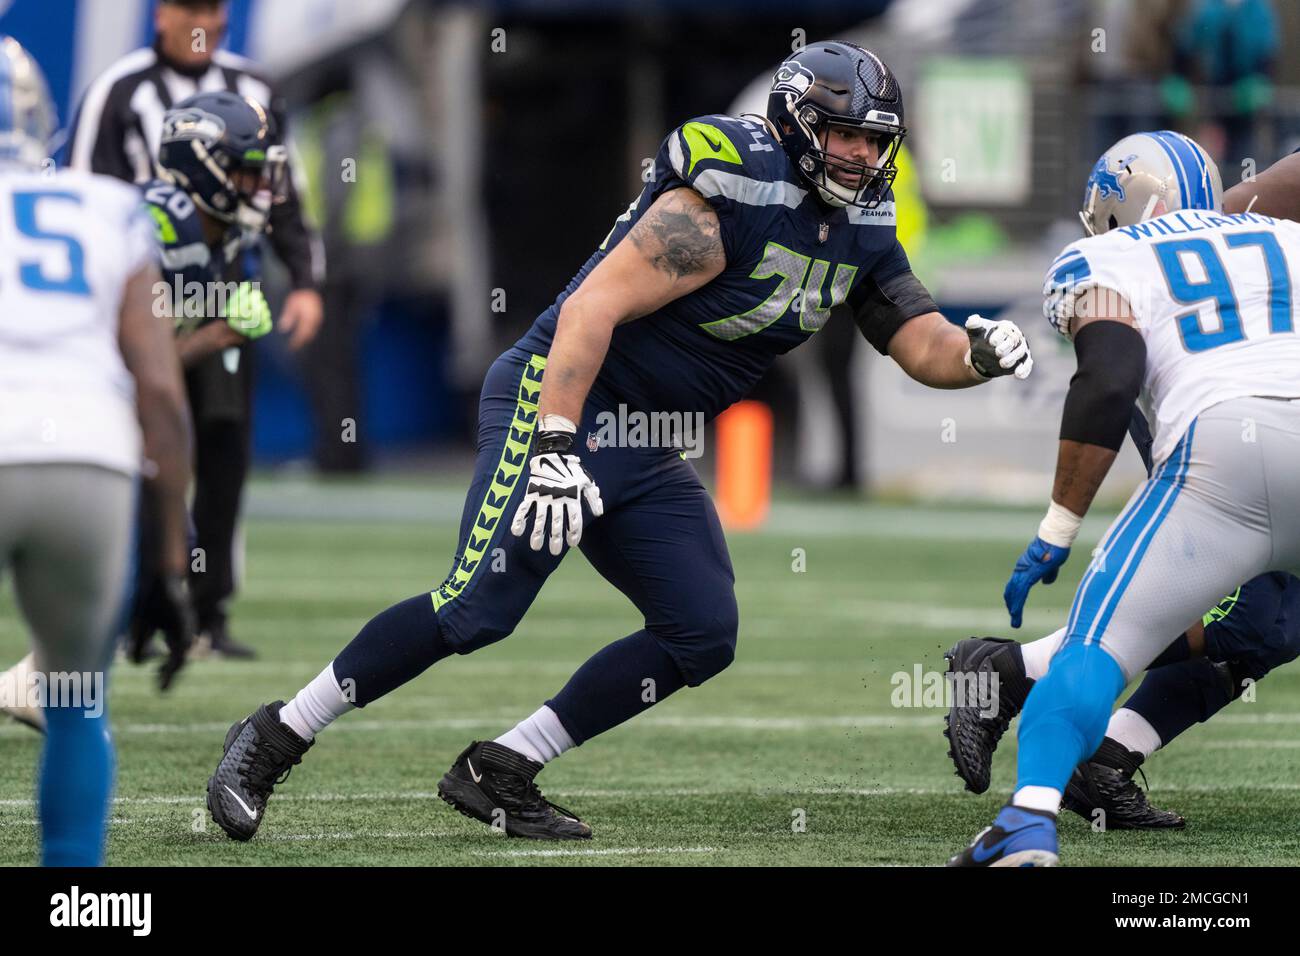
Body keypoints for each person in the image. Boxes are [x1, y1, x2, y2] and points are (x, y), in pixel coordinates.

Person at [206, 41, 1033, 843]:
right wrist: (558, 446)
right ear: (793, 124)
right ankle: (275, 736)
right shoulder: (724, 197)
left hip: (645, 439)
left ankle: (503, 767)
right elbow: (589, 310)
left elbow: (918, 339)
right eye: (844, 134)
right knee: (476, 609)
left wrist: (977, 355)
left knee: (701, 630)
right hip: (562, 397)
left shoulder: (862, 221)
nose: (859, 155)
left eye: (873, 139)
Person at [950, 130, 1300, 866]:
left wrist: (1057, 529)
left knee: (1100, 648)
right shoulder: (1284, 236)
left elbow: (1108, 381)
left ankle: (1029, 815)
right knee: (1269, 621)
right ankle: (1096, 747)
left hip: (1219, 451)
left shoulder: (1106, 254)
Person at [65, 0, 324, 658]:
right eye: (192, 5)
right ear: (160, 13)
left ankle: (201, 606)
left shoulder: (255, 91)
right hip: (140, 295)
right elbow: (84, 200)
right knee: (143, 437)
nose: (208, 19)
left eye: (216, 5)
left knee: (222, 440)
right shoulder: (120, 94)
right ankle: (130, 600)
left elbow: (283, 193)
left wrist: (304, 281)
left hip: (217, 288)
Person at [0, 38, 191, 865]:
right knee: (76, 700)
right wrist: (173, 562)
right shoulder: (108, 206)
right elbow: (158, 390)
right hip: (90, 458)